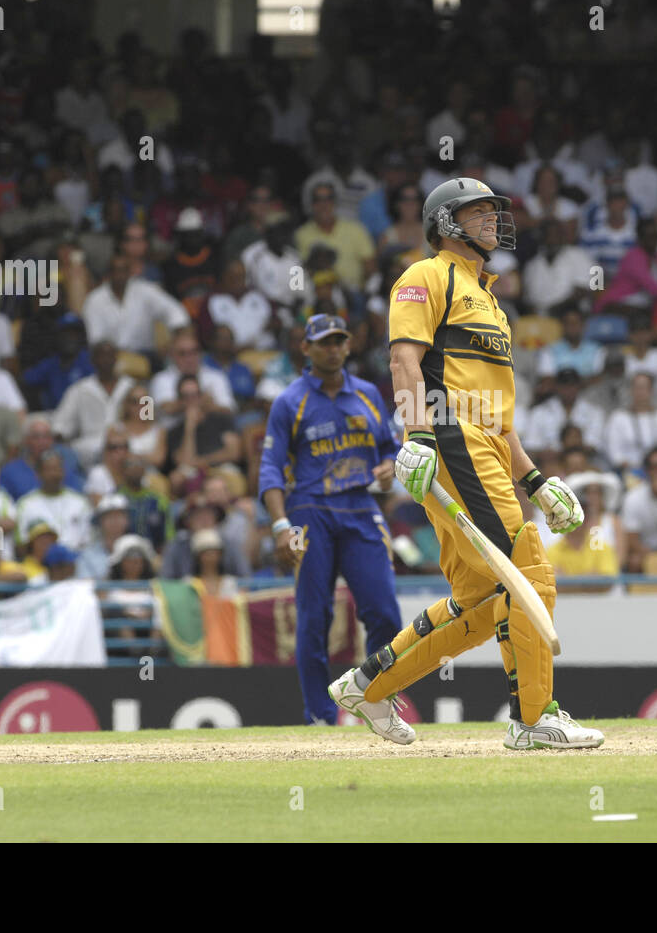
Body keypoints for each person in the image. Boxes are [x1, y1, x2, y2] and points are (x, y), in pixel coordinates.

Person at [328, 178, 602, 749]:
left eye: (492, 213)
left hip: (487, 447)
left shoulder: (493, 304)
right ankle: (533, 718)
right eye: (478, 214)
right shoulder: (425, 275)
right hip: (452, 439)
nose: (492, 222)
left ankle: (369, 685)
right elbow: (404, 359)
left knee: (484, 598)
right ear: (446, 223)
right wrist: (418, 436)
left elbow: (497, 410)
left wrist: (535, 477)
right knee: (528, 570)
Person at [258, 314, 402, 725]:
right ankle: (320, 715)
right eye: (323, 342)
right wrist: (281, 526)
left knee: (384, 613)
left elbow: (391, 448)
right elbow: (270, 467)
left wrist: (390, 467)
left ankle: (375, 699)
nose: (332, 348)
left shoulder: (370, 393)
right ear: (305, 348)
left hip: (360, 506)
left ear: (349, 345)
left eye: (338, 341)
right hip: (308, 513)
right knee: (314, 614)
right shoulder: (290, 401)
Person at [15, 450, 93, 552]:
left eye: (58, 469)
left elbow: (88, 540)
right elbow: (21, 543)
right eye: (49, 470)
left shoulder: (80, 502)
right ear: (38, 474)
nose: (54, 474)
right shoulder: (25, 504)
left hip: (76, 561)